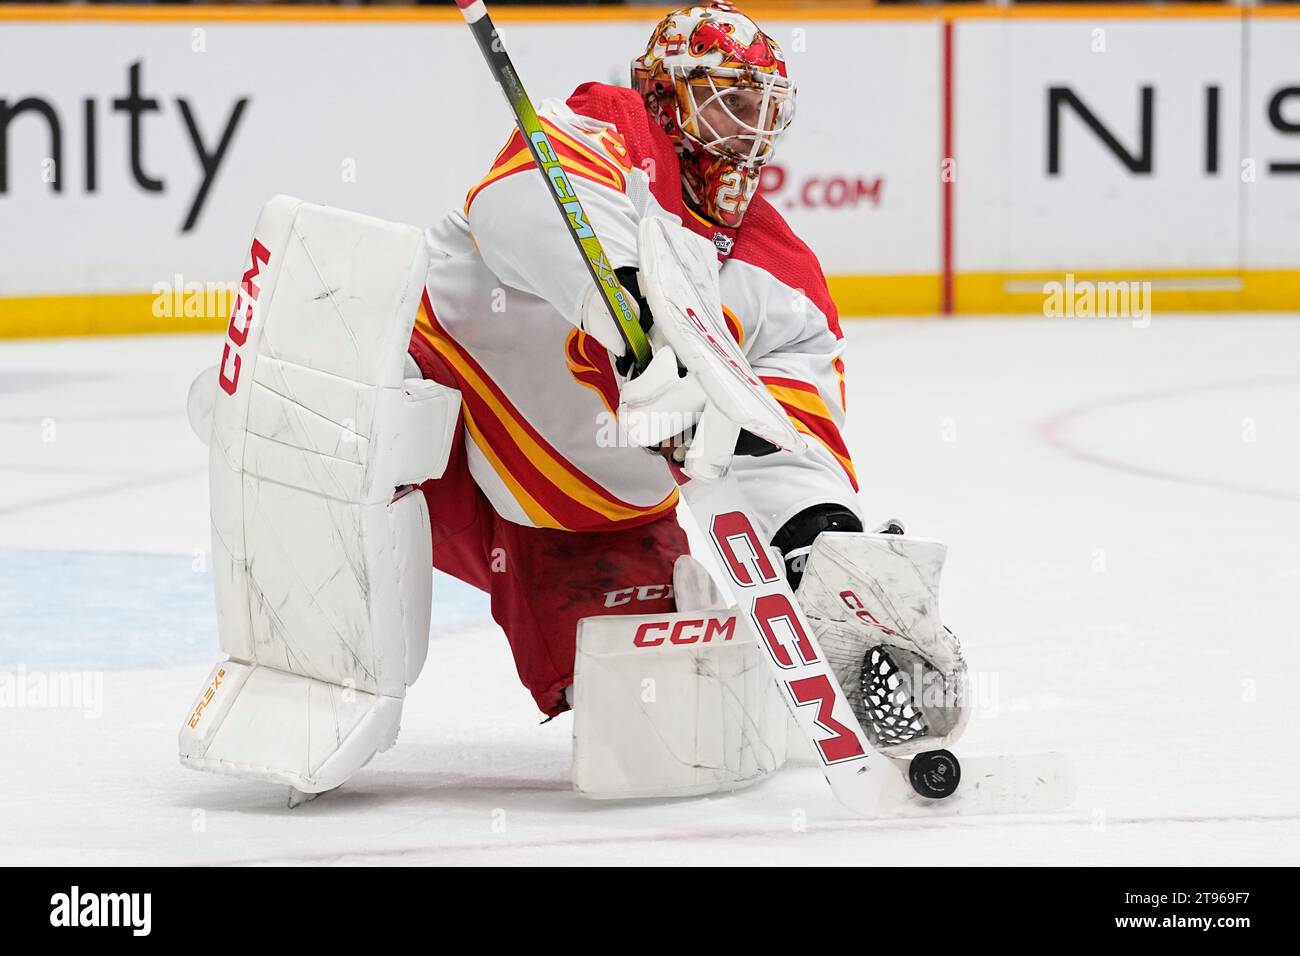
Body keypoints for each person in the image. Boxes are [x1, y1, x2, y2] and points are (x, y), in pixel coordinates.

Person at [408, 2, 863, 718]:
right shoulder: (604, 126)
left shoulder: (785, 283)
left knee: (649, 717)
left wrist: (818, 537)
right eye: (726, 104)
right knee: (344, 453)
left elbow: (793, 435)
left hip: (573, 516)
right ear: (665, 96)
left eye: (761, 111)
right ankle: (312, 689)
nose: (746, 134)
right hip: (428, 413)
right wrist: (631, 312)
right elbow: (513, 208)